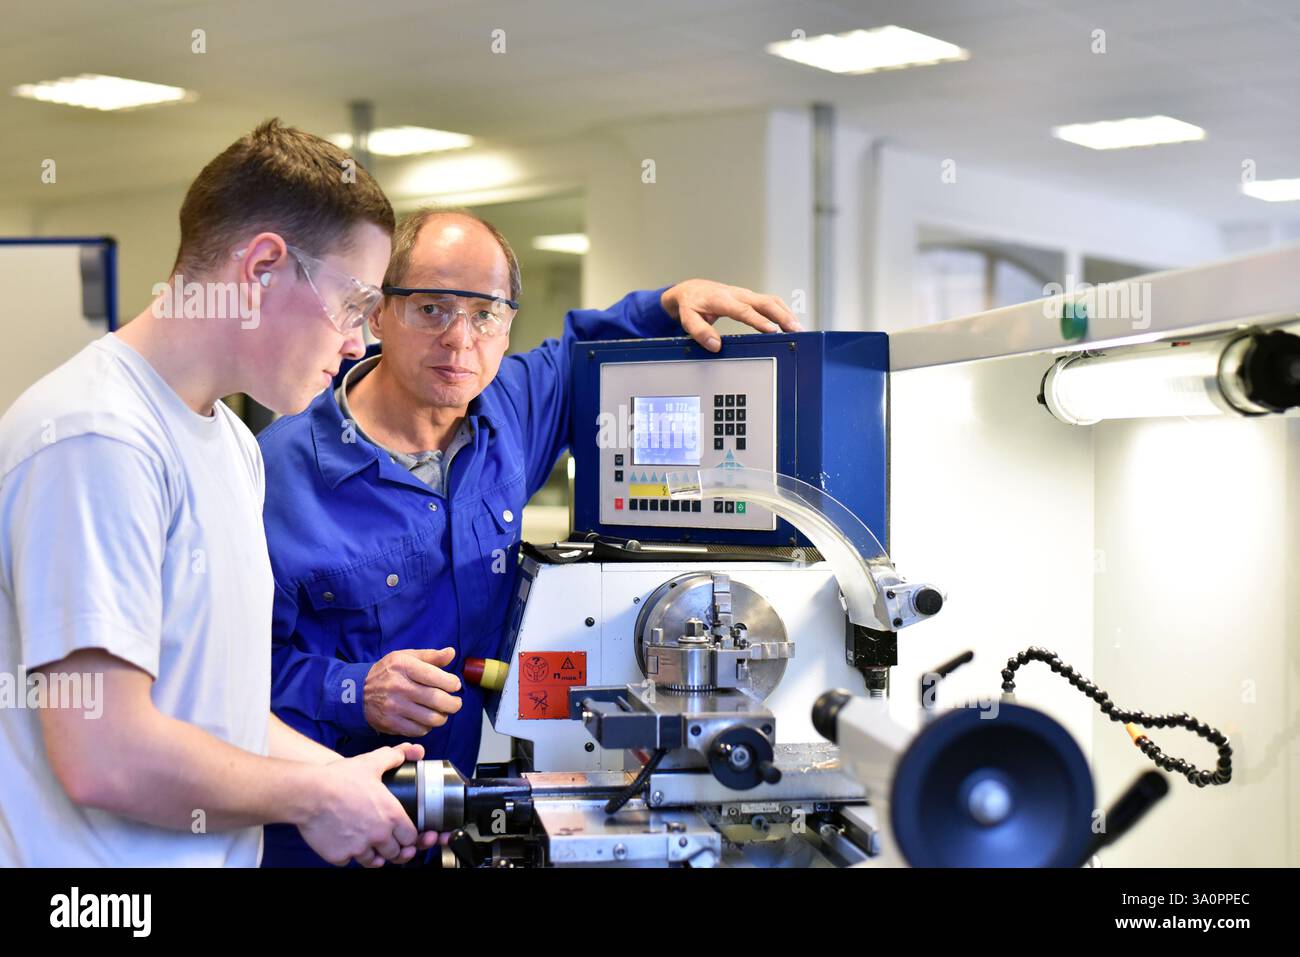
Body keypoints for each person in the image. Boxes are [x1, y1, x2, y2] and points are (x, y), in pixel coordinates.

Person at [258, 206, 802, 865]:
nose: (460, 340)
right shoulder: (275, 473)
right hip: (312, 834)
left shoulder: (507, 410)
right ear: (378, 312)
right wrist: (352, 687)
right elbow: (216, 679)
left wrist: (668, 303)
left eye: (485, 313)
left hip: (440, 821)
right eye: (431, 309)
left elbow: (579, 353)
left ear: (508, 322)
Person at [0, 120, 437, 867]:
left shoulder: (232, 445)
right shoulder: (97, 436)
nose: (360, 341)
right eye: (355, 304)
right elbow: (104, 753)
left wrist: (339, 780)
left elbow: (217, 708)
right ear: (264, 266)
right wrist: (311, 798)